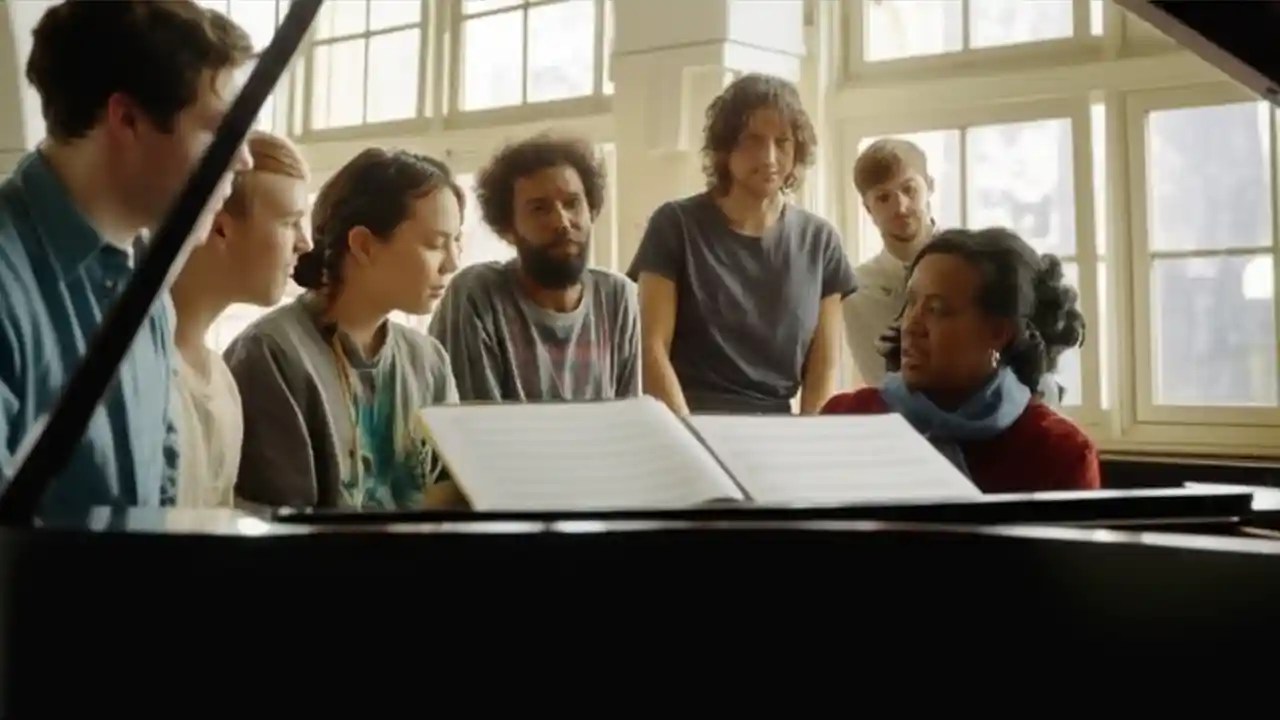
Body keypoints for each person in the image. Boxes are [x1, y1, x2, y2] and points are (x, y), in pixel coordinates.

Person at [0, 1, 253, 519]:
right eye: (219, 132)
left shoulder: (149, 287)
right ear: (128, 118)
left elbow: (153, 504)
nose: (245, 159)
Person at [224, 148, 462, 511]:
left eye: (456, 241)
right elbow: (281, 525)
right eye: (434, 244)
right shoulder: (271, 354)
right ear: (364, 245)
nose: (453, 263)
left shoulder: (429, 361)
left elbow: (454, 496)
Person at [627, 72, 857, 416]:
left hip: (778, 429)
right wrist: (688, 436)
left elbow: (822, 373)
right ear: (725, 147)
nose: (769, 157)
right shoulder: (675, 225)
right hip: (687, 419)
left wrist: (811, 446)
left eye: (783, 142)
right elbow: (651, 350)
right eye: (753, 140)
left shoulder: (820, 242)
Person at [821, 227, 1097, 494]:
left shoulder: (1057, 451)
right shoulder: (848, 419)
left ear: (998, 332)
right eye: (911, 302)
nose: (911, 325)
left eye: (937, 309)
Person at [429, 134, 639, 402]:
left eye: (572, 204)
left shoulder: (618, 298)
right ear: (508, 229)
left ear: (592, 210)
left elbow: (627, 420)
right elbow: (475, 429)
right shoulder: (478, 297)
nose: (562, 222)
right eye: (540, 209)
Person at [169, 130, 311, 508]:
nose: (305, 243)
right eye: (288, 222)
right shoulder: (142, 375)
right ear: (219, 226)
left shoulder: (222, 383)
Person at [844, 138, 936, 388]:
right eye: (883, 198)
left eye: (909, 190)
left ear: (930, 186)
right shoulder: (856, 293)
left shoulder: (975, 266)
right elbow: (878, 381)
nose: (901, 207)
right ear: (868, 209)